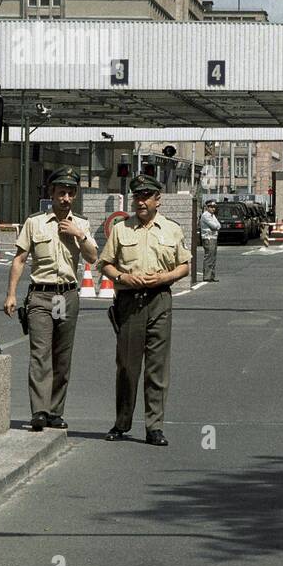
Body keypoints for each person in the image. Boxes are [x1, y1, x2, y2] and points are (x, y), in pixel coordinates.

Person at [98, 174, 192, 446]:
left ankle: (154, 427)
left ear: (157, 200)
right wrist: (122, 278)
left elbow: (184, 265)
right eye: (137, 197)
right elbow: (105, 264)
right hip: (130, 302)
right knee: (127, 366)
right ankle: (122, 422)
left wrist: (164, 278)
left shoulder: (172, 229)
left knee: (157, 367)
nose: (140, 201)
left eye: (146, 196)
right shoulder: (121, 229)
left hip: (159, 299)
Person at [4, 168, 99, 431]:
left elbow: (92, 258)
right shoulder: (34, 222)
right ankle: (40, 411)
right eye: (61, 192)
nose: (65, 198)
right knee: (39, 354)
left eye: (70, 193)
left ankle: (56, 411)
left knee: (62, 355)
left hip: (67, 295)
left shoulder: (82, 224)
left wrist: (79, 234)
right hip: (41, 295)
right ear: (52, 194)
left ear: (75, 196)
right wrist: (11, 294)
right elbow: (20, 259)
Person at [198, 199, 220, 281]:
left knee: (213, 257)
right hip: (208, 238)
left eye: (214, 207)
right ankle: (207, 276)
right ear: (207, 207)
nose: (213, 209)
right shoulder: (206, 215)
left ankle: (211, 276)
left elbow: (218, 225)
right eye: (211, 207)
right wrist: (216, 227)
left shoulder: (212, 215)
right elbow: (214, 226)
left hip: (213, 238)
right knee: (209, 257)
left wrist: (217, 227)